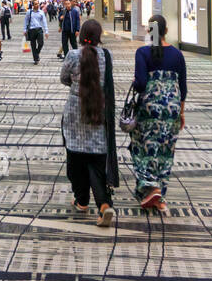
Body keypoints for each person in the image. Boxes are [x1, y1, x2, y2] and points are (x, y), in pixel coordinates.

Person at [59, 19, 117, 226]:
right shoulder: (105, 56)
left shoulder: (73, 55)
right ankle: (103, 205)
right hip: (98, 110)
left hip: (75, 111)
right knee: (96, 160)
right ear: (99, 36)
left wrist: (75, 85)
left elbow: (64, 78)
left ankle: (82, 200)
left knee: (76, 157)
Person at [130, 14, 186, 215]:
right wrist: (181, 111)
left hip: (149, 107)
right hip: (171, 108)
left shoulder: (143, 53)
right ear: (166, 31)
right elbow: (183, 87)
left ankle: (149, 187)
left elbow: (141, 83)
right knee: (164, 149)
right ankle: (159, 196)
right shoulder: (177, 55)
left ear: (149, 31)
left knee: (142, 145)